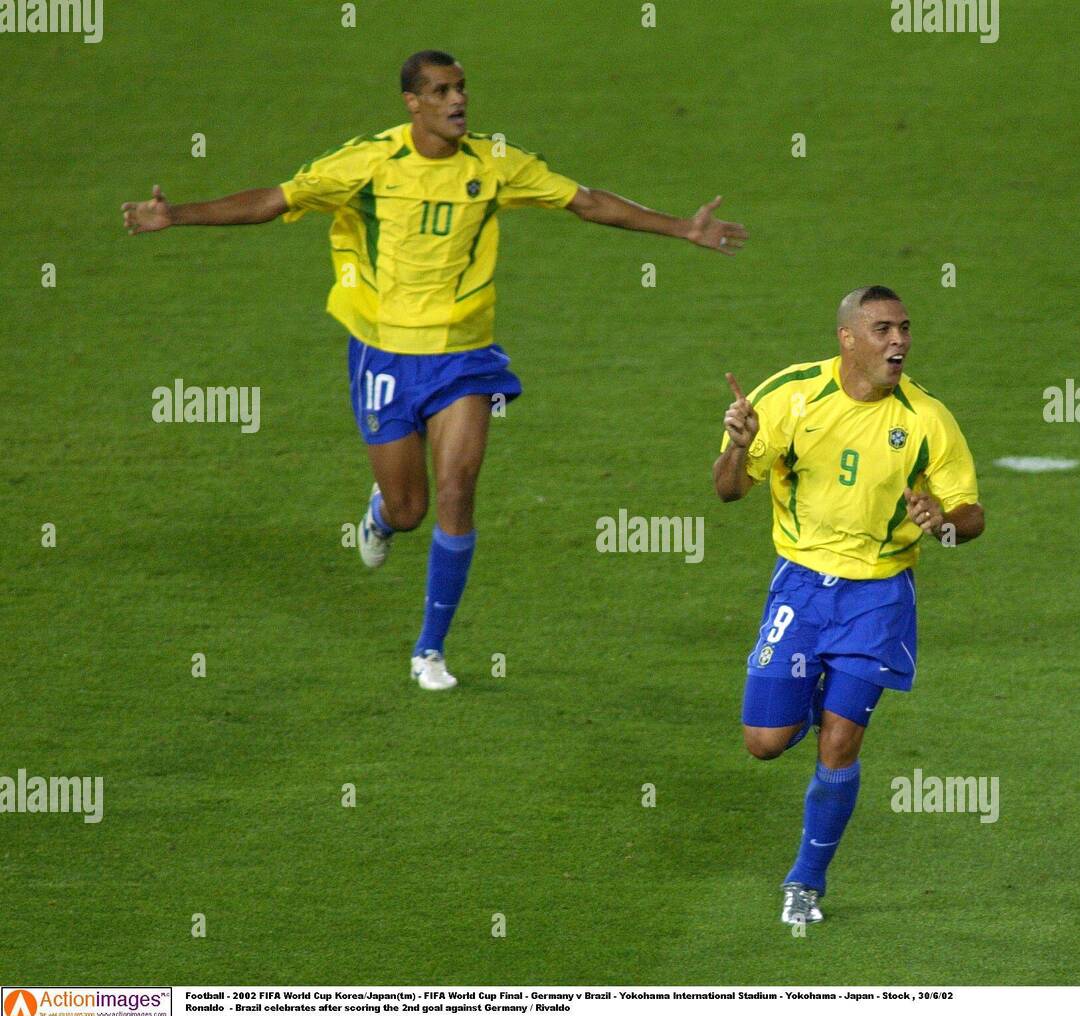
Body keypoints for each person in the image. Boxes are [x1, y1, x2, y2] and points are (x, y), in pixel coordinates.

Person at [123, 49, 747, 690]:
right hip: (384, 353)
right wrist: (178, 214)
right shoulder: (368, 164)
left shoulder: (495, 165)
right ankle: (382, 516)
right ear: (412, 103)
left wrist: (681, 229)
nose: (458, 101)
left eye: (463, 89)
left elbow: (586, 202)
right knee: (411, 506)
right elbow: (270, 201)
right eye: (443, 91)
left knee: (457, 490)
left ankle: (430, 649)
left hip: (463, 356)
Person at [713, 286, 984, 923]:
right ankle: (804, 698)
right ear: (848, 339)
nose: (899, 342)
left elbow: (971, 518)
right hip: (802, 587)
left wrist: (942, 520)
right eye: (884, 329)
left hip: (880, 596)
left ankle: (806, 881)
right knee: (765, 741)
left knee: (841, 744)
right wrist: (736, 445)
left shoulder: (926, 419)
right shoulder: (790, 396)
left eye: (905, 329)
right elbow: (728, 491)